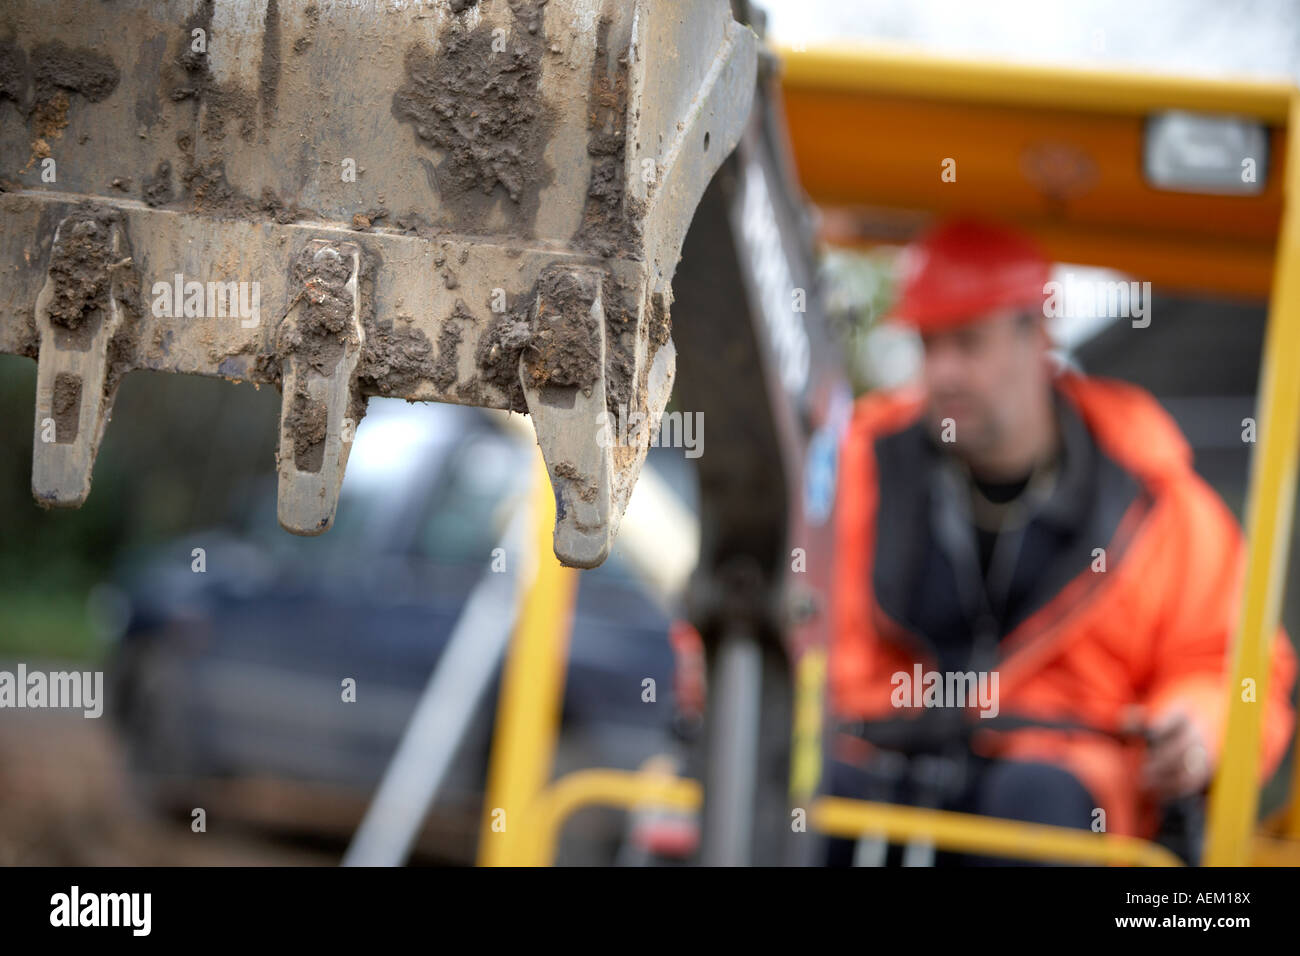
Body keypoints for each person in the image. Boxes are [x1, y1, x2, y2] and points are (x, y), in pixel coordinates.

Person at [828, 219, 1296, 861]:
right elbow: (768, 590)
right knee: (794, 794)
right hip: (875, 763)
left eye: (968, 341)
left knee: (1037, 803)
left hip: (1063, 791)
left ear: (1038, 334)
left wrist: (1200, 727)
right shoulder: (852, 469)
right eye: (928, 344)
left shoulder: (1155, 497)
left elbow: (1237, 668)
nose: (942, 372)